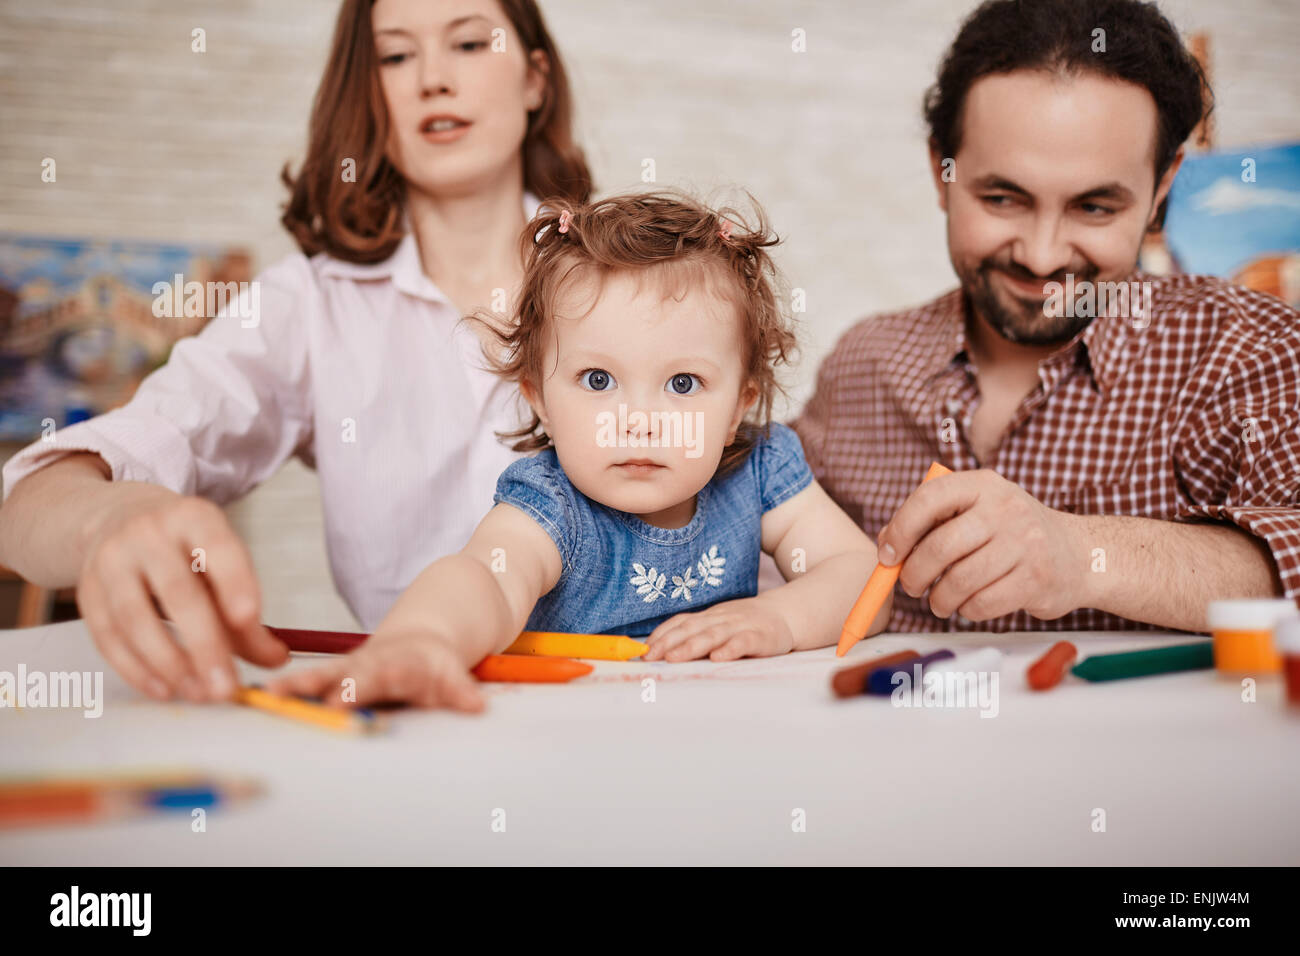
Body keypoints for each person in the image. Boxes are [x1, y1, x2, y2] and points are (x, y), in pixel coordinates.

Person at [0, 0, 593, 703]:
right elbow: (32, 505)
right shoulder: (306, 306)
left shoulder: (634, 272)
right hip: (415, 719)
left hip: (657, 700)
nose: (432, 78)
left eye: (468, 43)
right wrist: (104, 520)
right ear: (363, 94)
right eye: (394, 56)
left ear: (535, 80)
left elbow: (752, 479)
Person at [791, 0, 1300, 633]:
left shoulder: (1254, 354)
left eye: (1094, 208)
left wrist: (1082, 556)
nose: (1040, 257)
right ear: (940, 171)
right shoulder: (860, 366)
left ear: (1162, 188)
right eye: (1003, 198)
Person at [270, 192, 887, 710]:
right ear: (539, 398)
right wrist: (423, 638)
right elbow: (484, 575)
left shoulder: (759, 468)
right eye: (598, 381)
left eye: (682, 384)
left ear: (737, 408)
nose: (638, 422)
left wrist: (778, 620)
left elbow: (862, 579)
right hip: (571, 752)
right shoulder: (553, 505)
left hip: (713, 745)